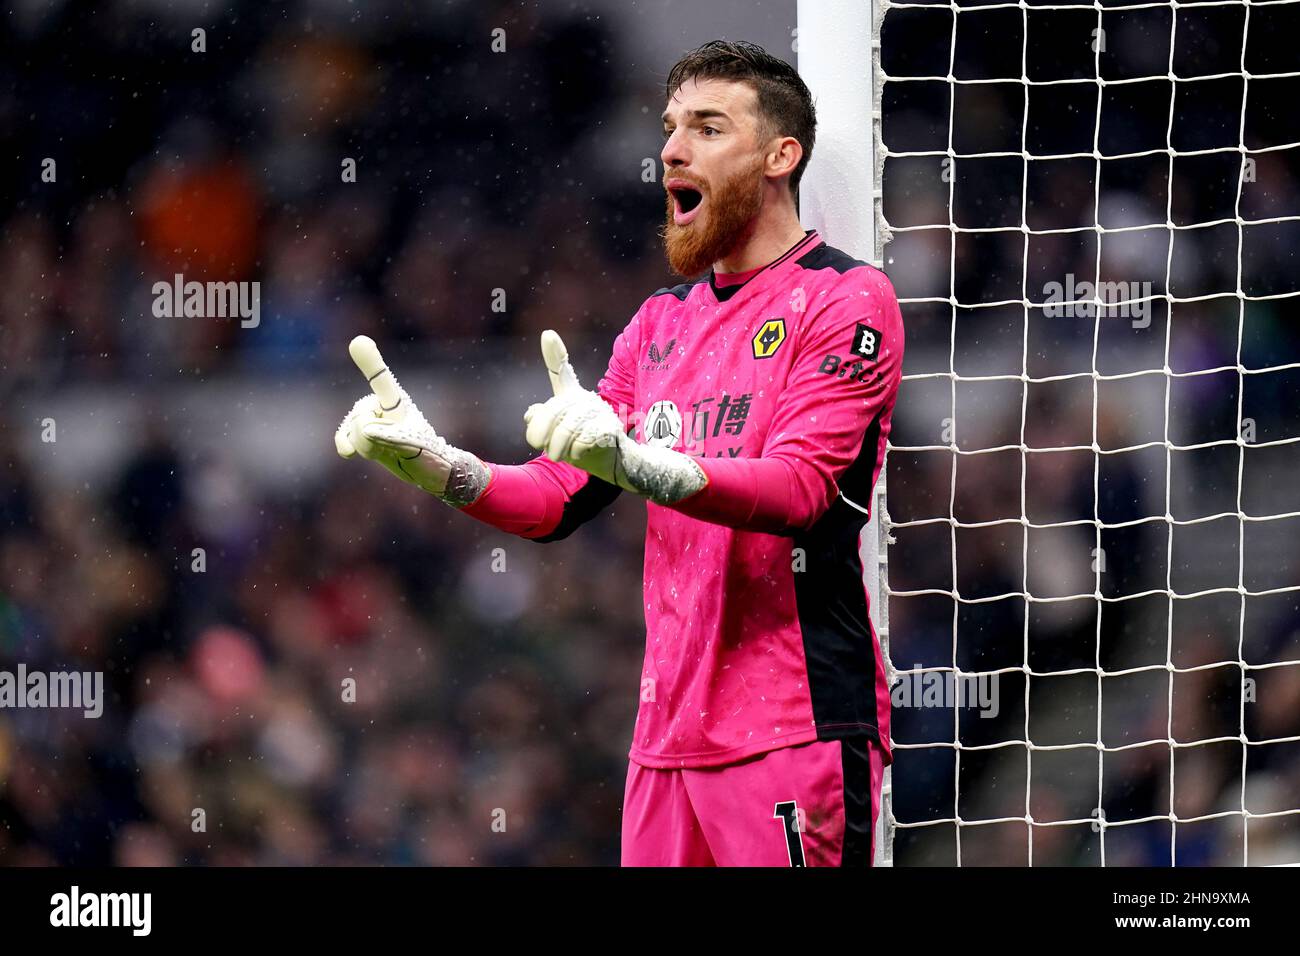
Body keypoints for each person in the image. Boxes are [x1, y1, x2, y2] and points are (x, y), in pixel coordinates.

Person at [335, 39, 905, 866]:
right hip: (664, 743)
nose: (672, 148)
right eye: (671, 127)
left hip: (792, 724)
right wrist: (437, 465)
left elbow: (801, 490)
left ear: (782, 155)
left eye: (709, 129)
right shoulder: (657, 324)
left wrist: (639, 464)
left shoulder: (846, 297)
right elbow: (558, 497)